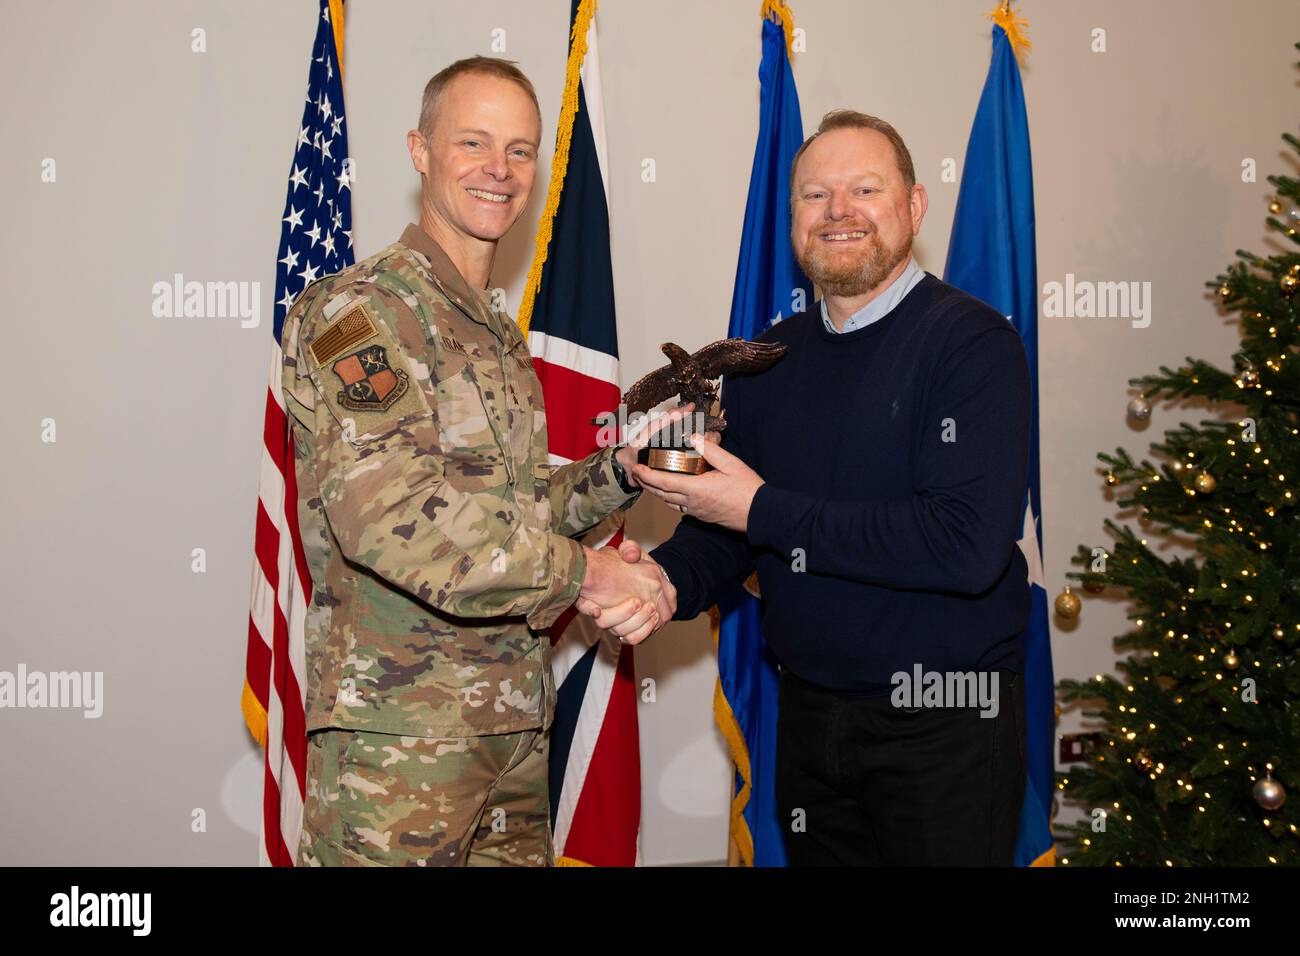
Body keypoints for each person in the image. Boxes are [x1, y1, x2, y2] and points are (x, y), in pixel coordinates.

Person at [581, 110, 1033, 866]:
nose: (838, 213)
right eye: (815, 196)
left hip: (944, 724)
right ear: (792, 218)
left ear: (914, 206)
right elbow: (733, 531)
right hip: (811, 718)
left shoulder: (972, 344)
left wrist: (759, 506)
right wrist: (663, 582)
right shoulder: (772, 358)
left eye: (864, 189)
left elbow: (962, 546)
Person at [282, 56, 678, 867]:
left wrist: (626, 467)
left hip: (511, 733)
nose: (499, 170)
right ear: (420, 150)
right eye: (473, 142)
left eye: (522, 150)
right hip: (401, 749)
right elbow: (392, 518)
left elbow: (517, 515)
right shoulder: (362, 313)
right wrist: (593, 578)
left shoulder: (496, 338)